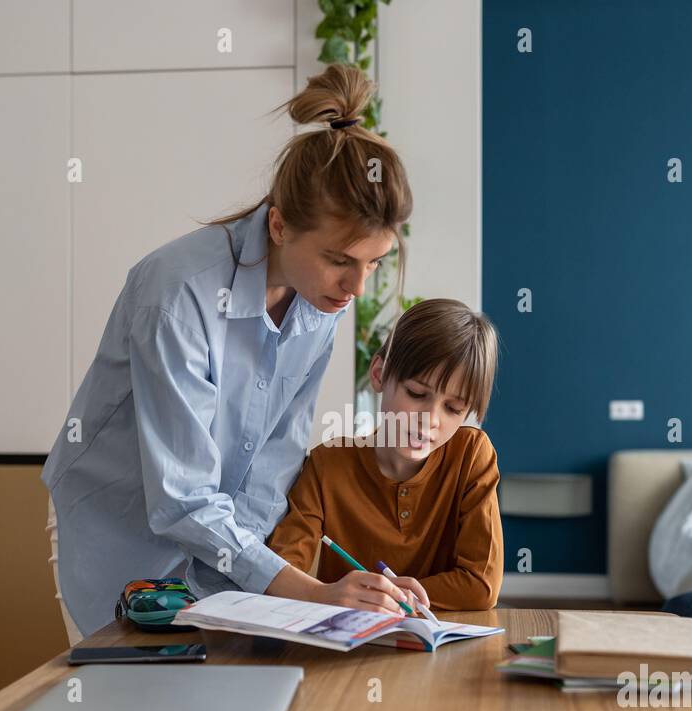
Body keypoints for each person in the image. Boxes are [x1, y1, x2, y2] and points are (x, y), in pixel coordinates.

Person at [43, 64, 415, 642]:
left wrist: (250, 578)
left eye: (375, 263)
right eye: (342, 260)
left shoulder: (321, 302)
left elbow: (275, 457)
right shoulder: (177, 294)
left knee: (215, 705)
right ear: (279, 225)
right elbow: (181, 498)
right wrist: (309, 591)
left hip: (214, 543)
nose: (357, 288)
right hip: (114, 528)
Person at [266, 298, 503, 613]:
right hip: (349, 647)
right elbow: (282, 568)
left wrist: (385, 596)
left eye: (453, 408)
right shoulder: (329, 463)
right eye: (417, 394)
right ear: (379, 374)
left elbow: (481, 585)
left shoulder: (472, 455)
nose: (431, 420)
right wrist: (327, 594)